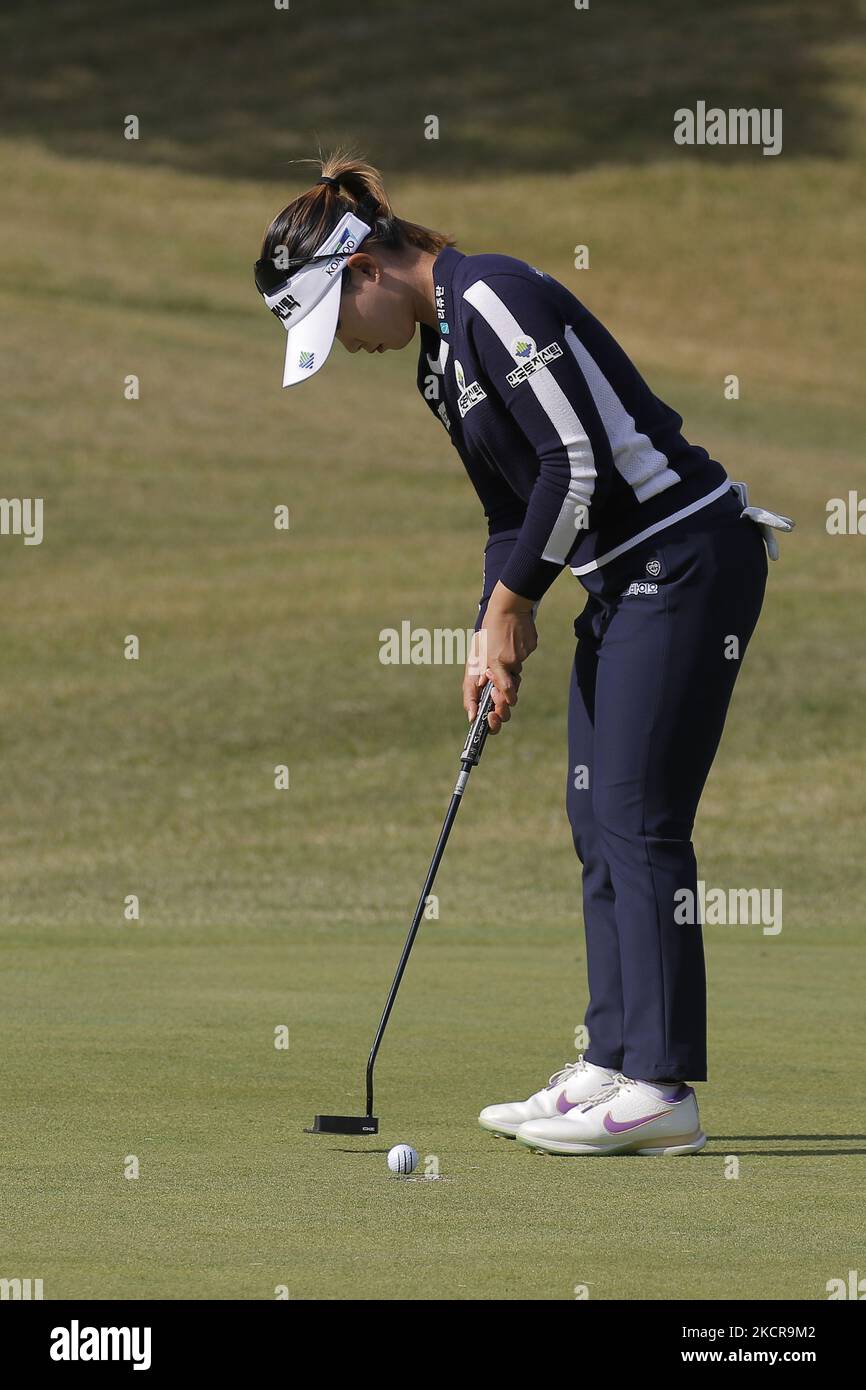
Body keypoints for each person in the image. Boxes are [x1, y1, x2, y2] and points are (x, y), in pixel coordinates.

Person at [254, 150, 792, 1156]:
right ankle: (612, 1055)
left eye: (336, 325)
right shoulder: (435, 356)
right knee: (593, 809)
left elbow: (573, 462)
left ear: (364, 269)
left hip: (683, 560)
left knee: (638, 816)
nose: (348, 350)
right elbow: (512, 509)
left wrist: (515, 602)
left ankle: (662, 1088)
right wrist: (487, 622)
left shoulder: (490, 294)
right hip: (622, 582)